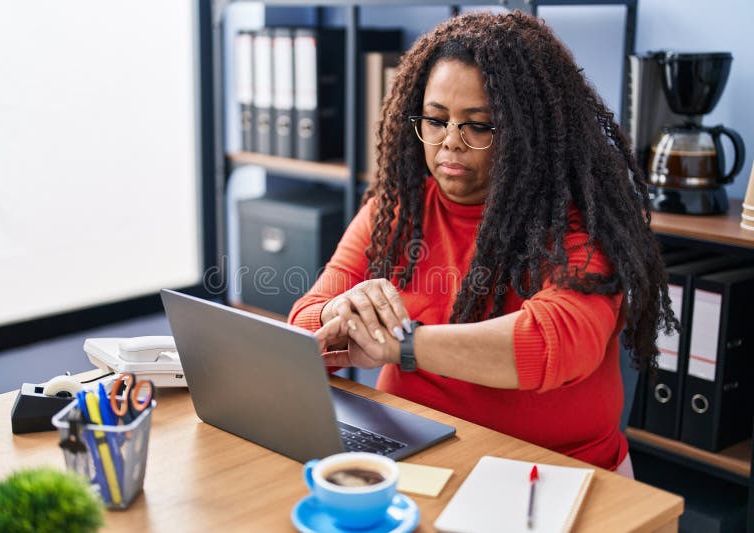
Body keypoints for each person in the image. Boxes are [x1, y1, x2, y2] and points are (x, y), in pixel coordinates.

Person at [288, 11, 677, 476]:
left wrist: (402, 345)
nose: (450, 142)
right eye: (435, 120)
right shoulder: (396, 209)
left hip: (553, 473)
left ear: (527, 131)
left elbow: (552, 342)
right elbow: (303, 325)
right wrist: (340, 312)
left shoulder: (578, 226)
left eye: (479, 125)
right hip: (415, 454)